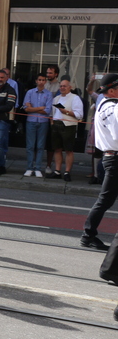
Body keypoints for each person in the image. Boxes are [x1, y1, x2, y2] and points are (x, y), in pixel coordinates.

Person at [82, 75, 118, 254]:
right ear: (112, 90)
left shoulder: (104, 103)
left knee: (105, 200)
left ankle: (88, 235)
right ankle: (87, 235)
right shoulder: (114, 108)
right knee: (105, 200)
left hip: (110, 157)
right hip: (115, 157)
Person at [51, 78, 83, 181]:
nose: (62, 88)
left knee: (69, 150)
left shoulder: (75, 98)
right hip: (56, 124)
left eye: (64, 86)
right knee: (57, 148)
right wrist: (52, 122)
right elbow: (52, 113)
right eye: (61, 86)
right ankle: (57, 171)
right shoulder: (56, 99)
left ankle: (67, 172)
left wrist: (66, 112)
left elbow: (79, 115)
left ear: (70, 87)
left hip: (68, 125)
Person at [22, 74, 53, 177]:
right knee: (30, 146)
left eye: (43, 80)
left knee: (40, 146)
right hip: (31, 121)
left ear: (45, 82)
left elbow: (48, 110)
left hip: (43, 122)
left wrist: (33, 108)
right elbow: (26, 109)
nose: (41, 82)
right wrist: (41, 108)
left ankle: (38, 168)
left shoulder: (48, 94)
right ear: (36, 81)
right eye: (39, 80)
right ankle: (29, 167)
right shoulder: (30, 92)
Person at [0, 69, 17, 176]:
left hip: (3, 120)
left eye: (2, 77)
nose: (0, 79)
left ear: (6, 78)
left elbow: (9, 106)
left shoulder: (10, 90)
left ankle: (2, 166)